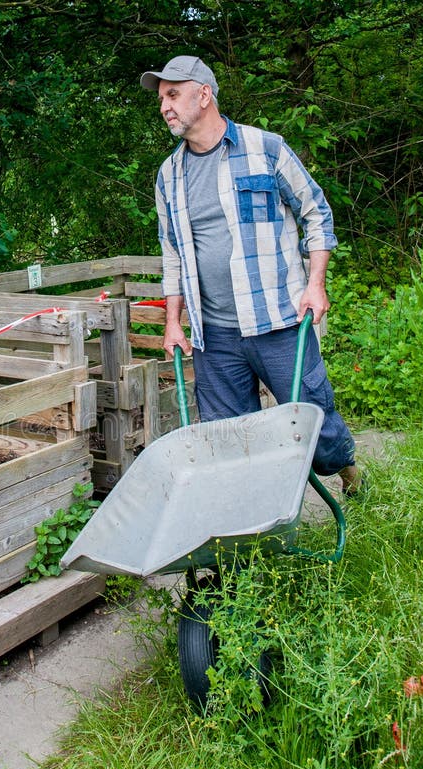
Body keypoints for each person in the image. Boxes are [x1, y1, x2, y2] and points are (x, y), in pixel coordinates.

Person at [140, 55, 362, 495]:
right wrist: (172, 322)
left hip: (278, 320)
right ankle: (252, 530)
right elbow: (173, 254)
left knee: (313, 423)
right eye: (161, 98)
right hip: (214, 334)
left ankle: (348, 470)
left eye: (173, 94)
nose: (164, 106)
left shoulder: (267, 148)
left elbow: (316, 213)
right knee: (227, 442)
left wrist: (315, 285)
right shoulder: (169, 174)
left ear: (204, 95)